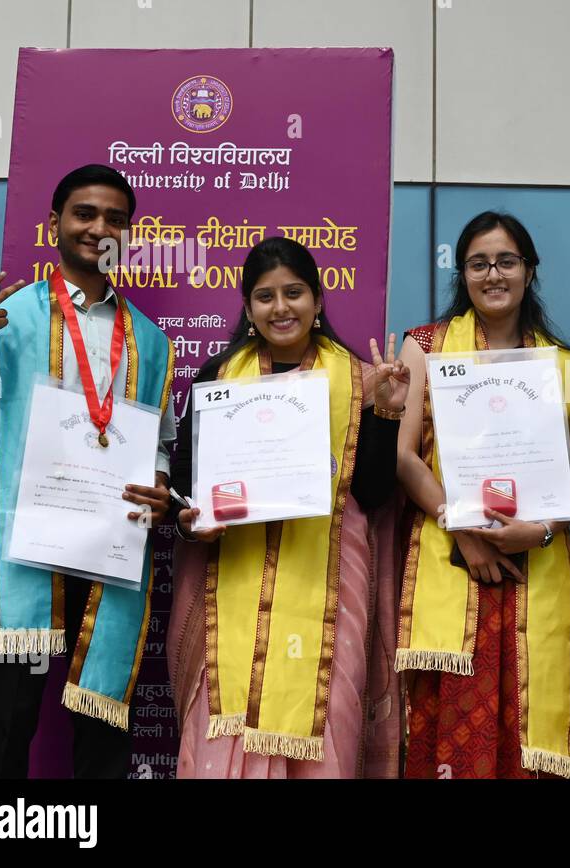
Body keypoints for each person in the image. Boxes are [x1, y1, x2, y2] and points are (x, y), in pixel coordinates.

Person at [0, 164, 175, 778]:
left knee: (103, 733)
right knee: (3, 726)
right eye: (84, 213)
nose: (98, 227)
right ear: (55, 223)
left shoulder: (151, 342)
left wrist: (159, 488)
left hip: (111, 551)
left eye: (115, 219)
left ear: (129, 234)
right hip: (30, 551)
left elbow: (159, 442)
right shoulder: (7, 317)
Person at [165, 236, 407, 777]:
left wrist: (387, 417)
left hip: (330, 585)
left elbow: (371, 494)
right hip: (229, 585)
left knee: (330, 716)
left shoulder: (362, 381)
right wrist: (189, 521)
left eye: (294, 293)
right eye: (265, 296)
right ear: (248, 308)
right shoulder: (220, 379)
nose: (281, 308)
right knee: (224, 714)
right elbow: (185, 483)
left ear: (318, 301)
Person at [395, 211, 570, 779]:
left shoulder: (564, 362)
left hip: (535, 566)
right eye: (478, 263)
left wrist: (546, 529)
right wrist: (465, 530)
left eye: (506, 261)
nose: (493, 274)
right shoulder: (423, 347)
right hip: (452, 565)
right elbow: (405, 458)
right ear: (462, 273)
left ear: (530, 270)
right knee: (453, 735)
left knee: (527, 732)